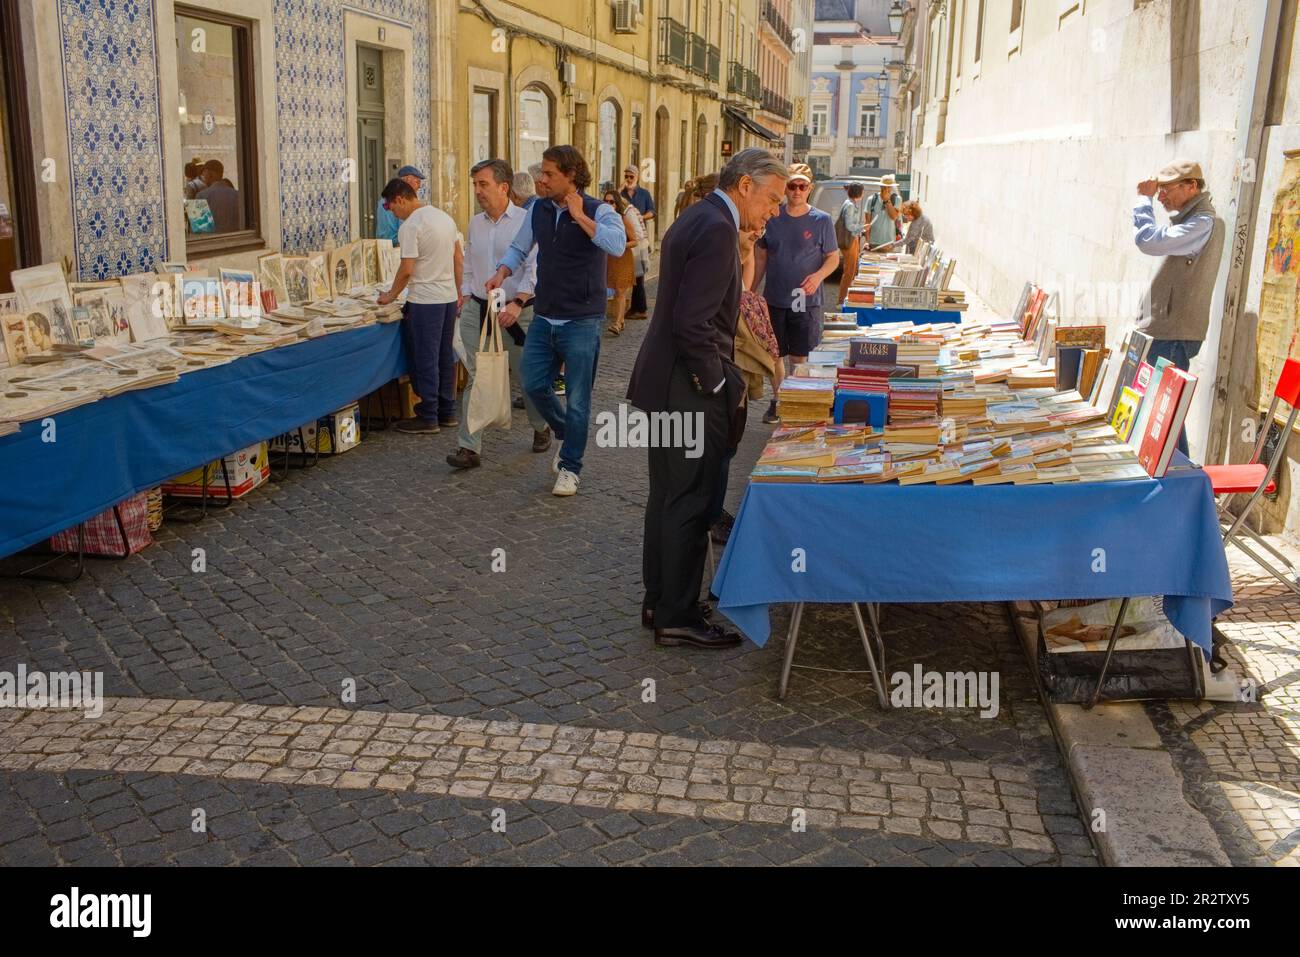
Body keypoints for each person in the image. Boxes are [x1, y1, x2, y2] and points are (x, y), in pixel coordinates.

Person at [628, 147, 788, 649]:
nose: (774, 210)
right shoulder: (716, 227)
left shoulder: (702, 217)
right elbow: (693, 324)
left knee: (669, 499)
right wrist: (719, 386)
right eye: (772, 198)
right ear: (745, 185)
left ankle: (662, 601)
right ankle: (676, 615)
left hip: (669, 384)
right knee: (691, 502)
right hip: (688, 390)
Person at [487, 144, 627, 497]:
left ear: (572, 176)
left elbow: (617, 245)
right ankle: (569, 432)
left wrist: (581, 217)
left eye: (549, 174)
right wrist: (502, 271)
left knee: (579, 399)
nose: (541, 179)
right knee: (533, 385)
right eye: (541, 173)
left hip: (582, 319)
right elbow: (521, 247)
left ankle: (570, 466)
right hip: (546, 316)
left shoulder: (600, 210)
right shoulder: (538, 209)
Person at [447, 158, 552, 470]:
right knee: (478, 377)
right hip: (478, 309)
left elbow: (535, 267)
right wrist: (465, 293)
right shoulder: (475, 223)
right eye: (476, 185)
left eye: (484, 184)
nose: (478, 191)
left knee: (527, 377)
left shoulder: (526, 220)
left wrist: (519, 301)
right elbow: (468, 262)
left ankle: (540, 426)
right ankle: (469, 447)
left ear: (504, 187)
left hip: (517, 312)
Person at [1133, 158, 1224, 456]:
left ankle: (1181, 482)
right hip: (1166, 331)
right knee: (1162, 412)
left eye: (1166, 189)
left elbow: (1148, 241)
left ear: (1191, 187)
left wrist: (1143, 202)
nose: (1161, 197)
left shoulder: (1203, 223)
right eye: (1158, 192)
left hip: (1173, 334)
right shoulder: (1192, 222)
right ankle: (1176, 480)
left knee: (1165, 413)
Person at [752, 162, 840, 424]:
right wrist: (750, 291)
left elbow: (833, 257)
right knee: (774, 353)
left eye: (802, 186)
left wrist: (818, 276)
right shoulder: (773, 216)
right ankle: (779, 399)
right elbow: (760, 257)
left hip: (806, 300)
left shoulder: (821, 220)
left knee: (800, 355)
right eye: (792, 185)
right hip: (775, 297)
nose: (797, 190)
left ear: (809, 189)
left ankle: (796, 402)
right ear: (786, 189)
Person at [377, 177, 464, 434]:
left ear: (400, 199)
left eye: (391, 207)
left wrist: (390, 295)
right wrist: (458, 291)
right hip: (447, 298)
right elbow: (458, 259)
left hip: (425, 300)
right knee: (444, 355)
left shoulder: (411, 225)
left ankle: (428, 415)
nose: (392, 213)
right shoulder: (444, 218)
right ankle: (447, 411)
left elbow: (407, 269)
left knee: (425, 357)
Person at [601, 185, 638, 336]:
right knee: (610, 290)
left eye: (612, 202)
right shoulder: (602, 219)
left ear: (617, 204)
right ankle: (620, 321)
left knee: (620, 291)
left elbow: (635, 240)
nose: (609, 204)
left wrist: (620, 245)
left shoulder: (623, 219)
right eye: (606, 202)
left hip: (623, 258)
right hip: (608, 259)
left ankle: (617, 323)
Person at [621, 164, 656, 319]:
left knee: (639, 275)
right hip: (624, 238)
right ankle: (630, 306)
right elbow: (608, 202)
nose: (628, 179)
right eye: (626, 176)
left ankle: (640, 308)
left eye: (631, 176)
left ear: (637, 177)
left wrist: (641, 217)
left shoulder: (644, 193)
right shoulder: (620, 192)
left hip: (639, 238)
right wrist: (620, 187)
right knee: (626, 275)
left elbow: (652, 212)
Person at [376, 165, 425, 245]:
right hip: (393, 246)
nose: (419, 186)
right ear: (406, 181)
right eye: (417, 182)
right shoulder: (393, 201)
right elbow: (405, 230)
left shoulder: (390, 199)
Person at [835, 182, 867, 304]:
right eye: (862, 191)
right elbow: (849, 225)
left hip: (852, 239)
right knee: (849, 271)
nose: (863, 194)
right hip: (850, 240)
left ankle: (844, 299)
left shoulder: (849, 203)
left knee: (851, 271)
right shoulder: (850, 205)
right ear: (858, 192)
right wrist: (862, 227)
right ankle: (841, 301)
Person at [196, 160, 242, 232]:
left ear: (210, 174)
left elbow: (199, 230)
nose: (203, 176)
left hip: (212, 242)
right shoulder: (238, 195)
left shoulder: (200, 196)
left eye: (204, 173)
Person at [864, 174, 902, 251]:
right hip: (873, 242)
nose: (887, 189)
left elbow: (894, 217)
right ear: (880, 186)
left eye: (889, 187)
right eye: (884, 186)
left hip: (889, 243)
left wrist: (887, 201)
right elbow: (867, 222)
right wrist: (867, 241)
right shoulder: (871, 200)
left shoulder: (897, 199)